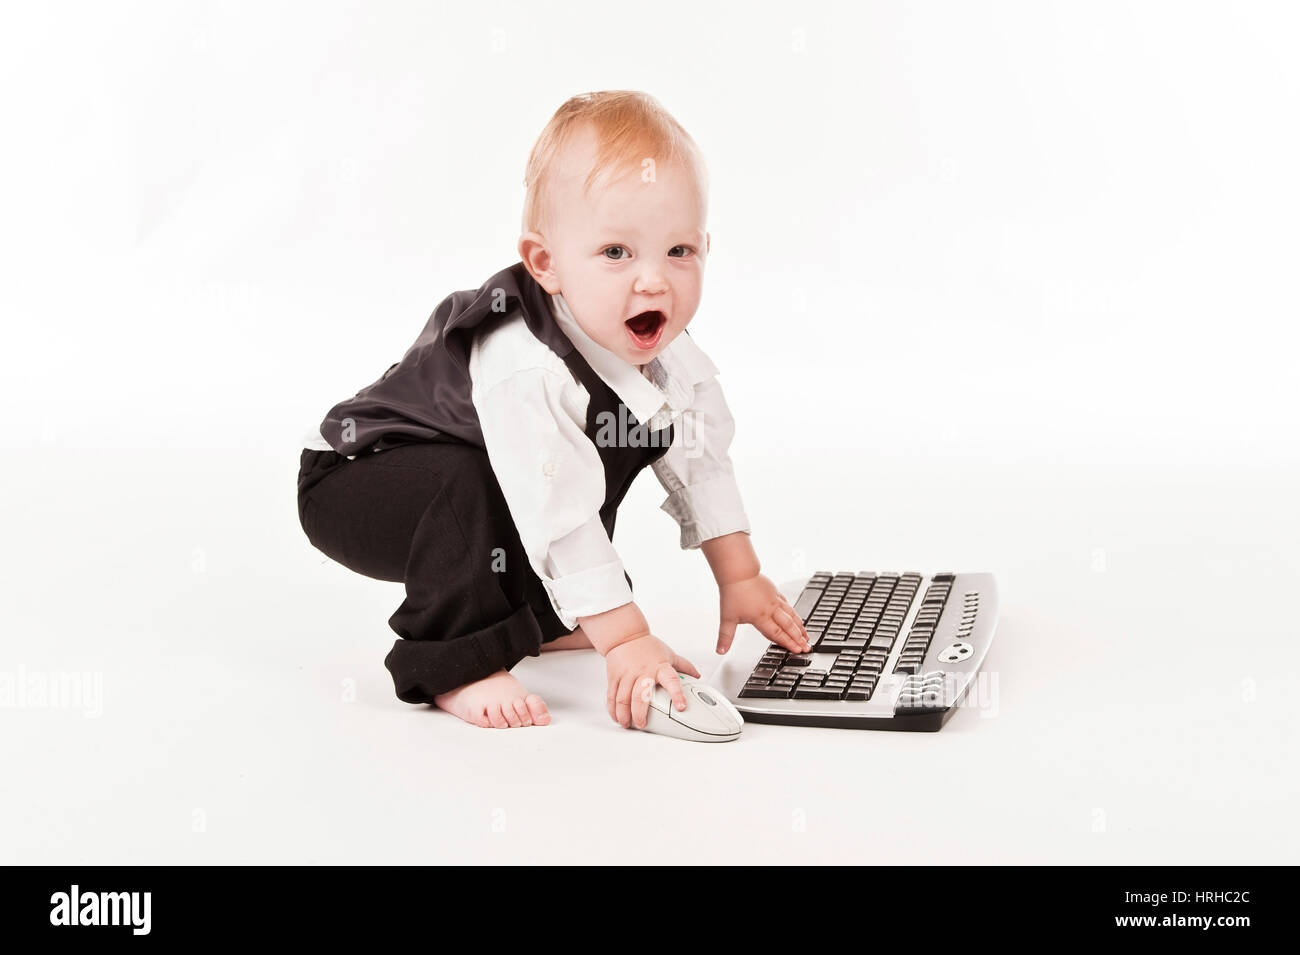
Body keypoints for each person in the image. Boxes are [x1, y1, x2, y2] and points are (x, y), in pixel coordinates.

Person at [296, 90, 810, 730]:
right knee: (485, 479)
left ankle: (545, 617)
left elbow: (701, 457)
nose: (653, 281)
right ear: (546, 263)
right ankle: (454, 662)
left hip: (493, 473)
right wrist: (625, 640)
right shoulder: (526, 360)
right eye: (617, 253)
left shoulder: (667, 355)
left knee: (616, 437)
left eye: (679, 252)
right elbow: (558, 510)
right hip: (359, 480)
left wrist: (741, 575)